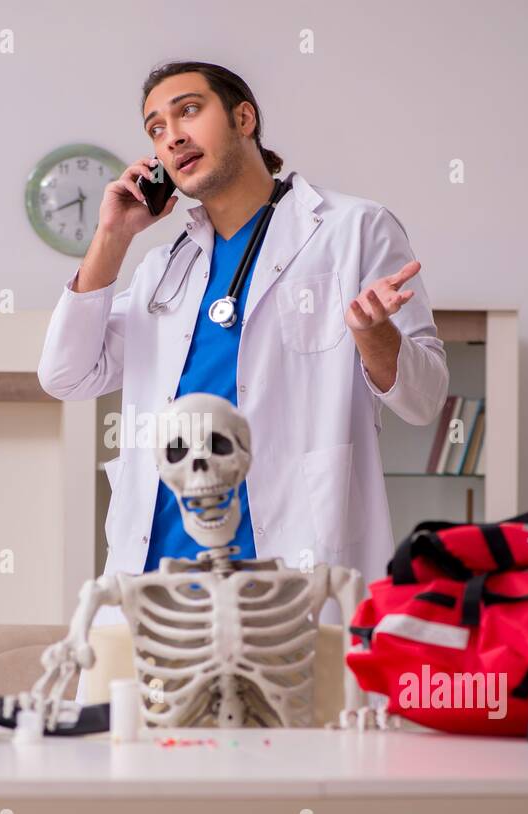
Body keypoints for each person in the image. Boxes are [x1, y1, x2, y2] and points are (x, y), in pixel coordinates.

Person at [38, 60, 449, 665]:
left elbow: (424, 397)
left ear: (243, 118)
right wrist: (113, 239)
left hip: (287, 570)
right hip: (161, 575)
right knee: (144, 754)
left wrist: (372, 334)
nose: (170, 136)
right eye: (154, 128)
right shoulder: (162, 267)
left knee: (294, 751)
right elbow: (66, 374)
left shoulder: (352, 230)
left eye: (187, 111)